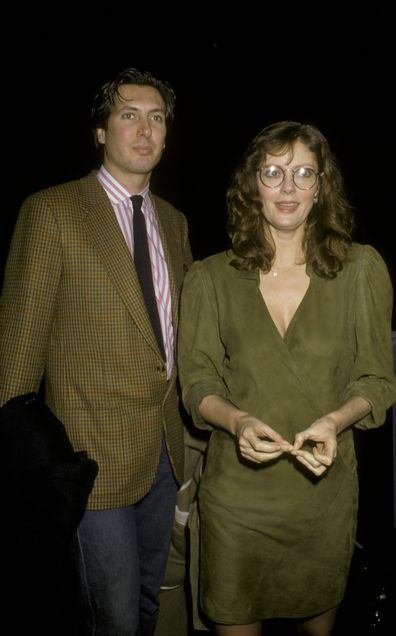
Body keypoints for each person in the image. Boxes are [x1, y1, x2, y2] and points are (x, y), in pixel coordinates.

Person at [177, 120, 396, 636]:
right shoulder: (208, 278)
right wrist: (236, 420)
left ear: (322, 186)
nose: (289, 187)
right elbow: (197, 383)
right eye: (274, 172)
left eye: (304, 173)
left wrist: (335, 421)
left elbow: (377, 380)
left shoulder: (360, 269)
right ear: (253, 183)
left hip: (321, 499)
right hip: (237, 501)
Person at [0, 67, 193, 635]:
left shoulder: (176, 223)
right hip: (89, 455)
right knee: (112, 619)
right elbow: (17, 346)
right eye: (128, 115)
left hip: (166, 451)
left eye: (156, 118)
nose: (145, 129)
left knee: (152, 602)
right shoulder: (53, 211)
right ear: (101, 132)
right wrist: (29, 464)